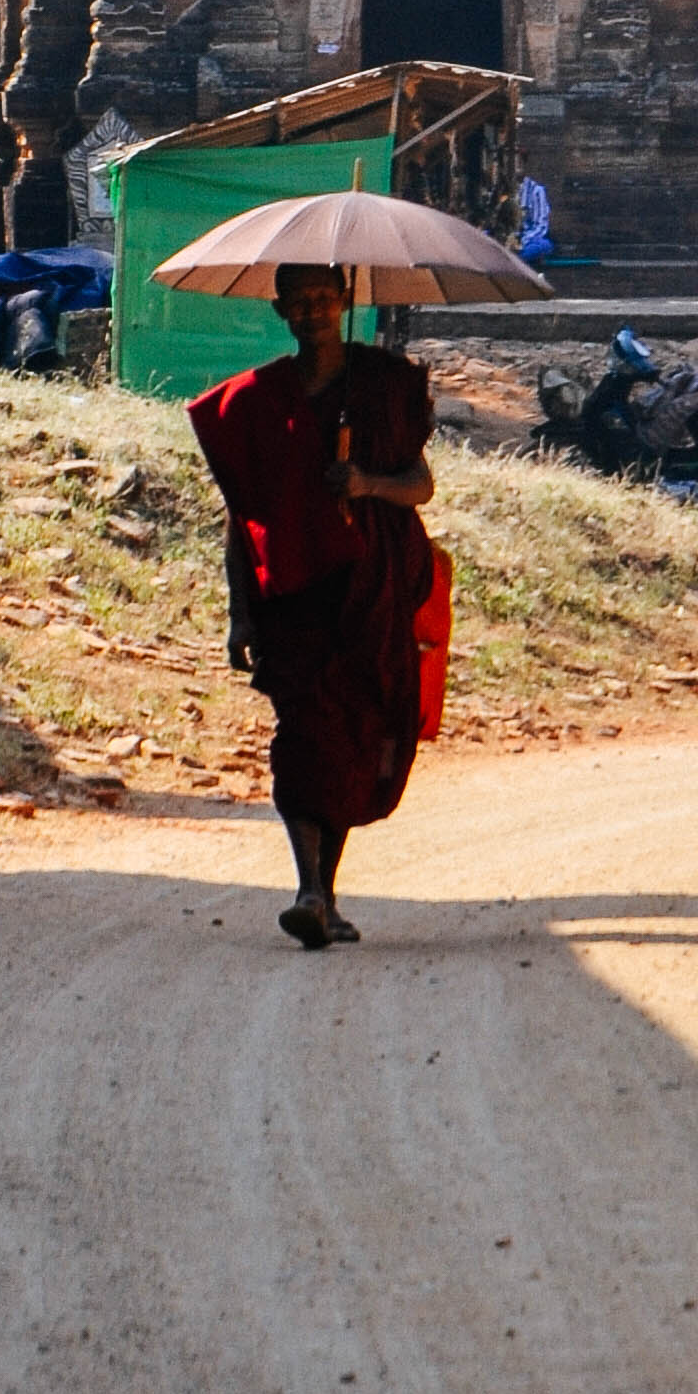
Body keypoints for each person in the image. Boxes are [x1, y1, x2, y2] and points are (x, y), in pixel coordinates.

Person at [186, 274, 436, 951]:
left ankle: (325, 892)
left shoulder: (382, 386)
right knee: (304, 737)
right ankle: (308, 890)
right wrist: (240, 612)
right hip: (294, 596)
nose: (312, 313)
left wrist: (367, 484)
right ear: (279, 311)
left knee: (357, 737)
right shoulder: (257, 402)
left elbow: (421, 485)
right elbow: (244, 519)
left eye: (324, 300)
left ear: (344, 303)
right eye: (298, 303)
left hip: (372, 590)